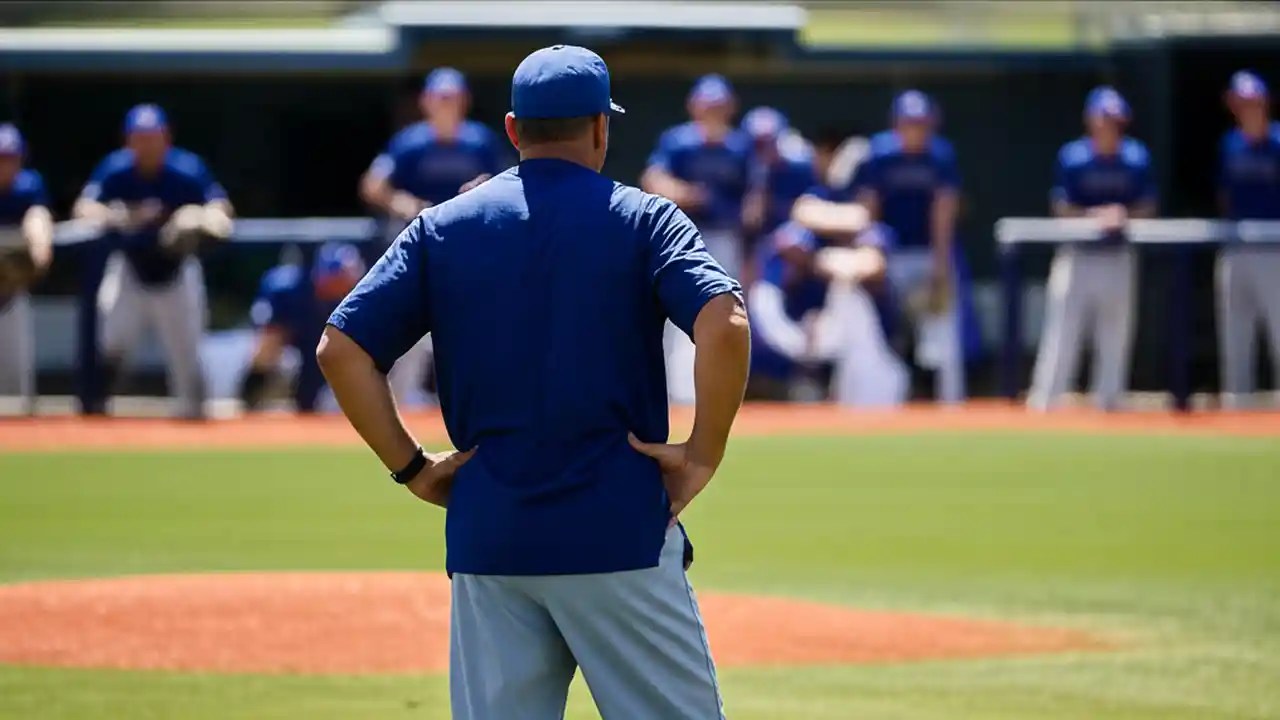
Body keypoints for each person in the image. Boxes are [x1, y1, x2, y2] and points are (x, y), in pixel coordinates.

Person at [318, 45, 748, 720]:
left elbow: (339, 349)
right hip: (620, 532)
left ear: (514, 131)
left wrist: (413, 468)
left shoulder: (442, 227)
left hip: (491, 536)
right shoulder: (646, 218)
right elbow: (726, 323)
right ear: (603, 129)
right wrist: (703, 454)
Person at [792, 90, 965, 403]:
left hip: (926, 252)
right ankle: (890, 397)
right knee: (887, 324)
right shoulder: (880, 153)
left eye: (921, 123)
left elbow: (944, 208)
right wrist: (870, 250)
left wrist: (941, 263)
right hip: (890, 253)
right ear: (897, 124)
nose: (915, 130)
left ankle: (950, 403)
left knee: (942, 328)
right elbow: (868, 208)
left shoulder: (940, 155)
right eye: (909, 123)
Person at [73, 104, 234, 419]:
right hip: (130, 270)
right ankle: (96, 414)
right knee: (111, 343)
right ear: (128, 141)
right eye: (140, 137)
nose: (147, 144)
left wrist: (201, 216)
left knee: (188, 358)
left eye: (153, 136)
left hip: (177, 271)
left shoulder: (186, 169)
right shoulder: (116, 169)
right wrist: (119, 216)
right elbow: (83, 208)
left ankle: (194, 427)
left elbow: (222, 208)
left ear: (166, 138)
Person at [358, 67, 506, 408]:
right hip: (420, 245)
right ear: (426, 101)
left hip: (469, 248)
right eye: (440, 98)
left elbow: (507, 182)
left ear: (464, 101)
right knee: (409, 331)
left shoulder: (479, 141)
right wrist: (399, 200)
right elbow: (372, 184)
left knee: (477, 328)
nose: (446, 105)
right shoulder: (409, 142)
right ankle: (395, 411)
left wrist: (485, 190)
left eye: (452, 98)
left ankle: (483, 404)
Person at [1028, 86, 1156, 411]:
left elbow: (1148, 207)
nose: (1109, 127)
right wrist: (1095, 216)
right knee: (1063, 336)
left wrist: (1123, 215)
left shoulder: (1136, 157)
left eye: (1115, 121)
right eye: (1104, 120)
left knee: (1114, 338)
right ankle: (1045, 405)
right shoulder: (1073, 157)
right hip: (1078, 255)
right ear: (1091, 121)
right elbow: (1061, 207)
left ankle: (1109, 406)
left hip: (1117, 255)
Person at [642, 74, 753, 403]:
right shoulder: (678, 141)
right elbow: (654, 179)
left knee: (725, 313)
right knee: (678, 316)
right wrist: (688, 194)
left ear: (730, 108)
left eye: (718, 107)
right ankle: (678, 395)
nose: (713, 113)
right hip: (682, 236)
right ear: (694, 106)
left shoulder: (740, 146)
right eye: (708, 106)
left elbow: (753, 204)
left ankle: (721, 391)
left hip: (725, 237)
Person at [748, 220, 907, 406]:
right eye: (787, 256)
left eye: (798, 254)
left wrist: (827, 262)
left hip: (878, 369)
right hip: (840, 370)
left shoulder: (847, 280)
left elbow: (870, 266)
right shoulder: (786, 288)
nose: (791, 261)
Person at [239, 243, 366, 413]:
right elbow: (268, 335)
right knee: (276, 354)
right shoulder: (287, 289)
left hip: (320, 353)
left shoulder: (355, 299)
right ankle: (252, 400)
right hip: (289, 350)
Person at [1217, 70, 1280, 408]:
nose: (1248, 109)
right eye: (1242, 103)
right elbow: (1224, 195)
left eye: (1253, 102)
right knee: (1236, 337)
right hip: (1237, 247)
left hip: (1275, 250)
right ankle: (1237, 410)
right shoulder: (1229, 144)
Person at [0, 124, 54, 412]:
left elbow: (38, 217)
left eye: (10, 158)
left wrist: (39, 246)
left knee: (17, 392)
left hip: (10, 295)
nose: (4, 165)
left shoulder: (28, 186)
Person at [740, 106, 817, 242]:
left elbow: (810, 205)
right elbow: (750, 219)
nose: (764, 149)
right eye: (758, 144)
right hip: (749, 239)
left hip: (792, 232)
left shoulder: (799, 167)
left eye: (769, 142)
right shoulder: (741, 167)